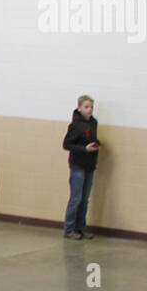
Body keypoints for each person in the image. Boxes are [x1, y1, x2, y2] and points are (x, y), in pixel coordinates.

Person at [62, 95, 100, 240]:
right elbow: (67, 144)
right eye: (86, 107)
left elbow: (90, 138)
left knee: (85, 199)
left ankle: (80, 227)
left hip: (90, 164)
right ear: (79, 108)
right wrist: (84, 149)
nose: (89, 110)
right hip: (78, 165)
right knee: (76, 198)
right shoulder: (75, 125)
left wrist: (96, 144)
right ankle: (69, 228)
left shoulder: (94, 122)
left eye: (91, 107)